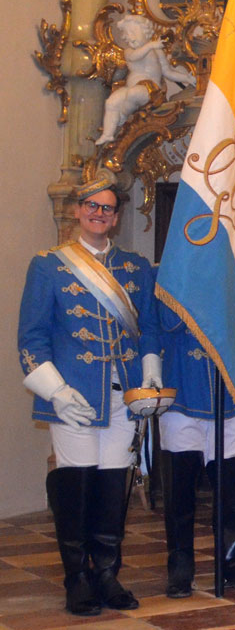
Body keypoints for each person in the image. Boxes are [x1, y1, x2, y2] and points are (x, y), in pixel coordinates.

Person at [18, 178, 159, 615]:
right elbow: (32, 336)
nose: (99, 214)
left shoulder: (135, 267)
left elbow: (150, 328)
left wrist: (150, 378)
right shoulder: (49, 266)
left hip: (124, 396)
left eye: (108, 208)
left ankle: (107, 573)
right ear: (78, 211)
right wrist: (56, 391)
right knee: (76, 485)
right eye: (92, 206)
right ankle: (77, 577)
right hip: (74, 396)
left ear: (116, 218)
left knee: (114, 485)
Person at [159, 306, 235, 597]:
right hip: (182, 387)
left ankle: (231, 562)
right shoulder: (168, 280)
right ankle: (180, 567)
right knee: (180, 493)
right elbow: (163, 322)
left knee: (230, 493)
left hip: (230, 392)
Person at [96, 14, 197, 145]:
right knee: (111, 102)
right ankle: (108, 134)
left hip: (151, 90)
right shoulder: (129, 52)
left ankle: (123, 115)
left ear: (145, 32)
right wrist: (151, 46)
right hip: (130, 87)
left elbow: (168, 72)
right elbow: (134, 57)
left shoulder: (157, 51)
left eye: (133, 32)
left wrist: (186, 78)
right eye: (126, 34)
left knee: (133, 94)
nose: (129, 37)